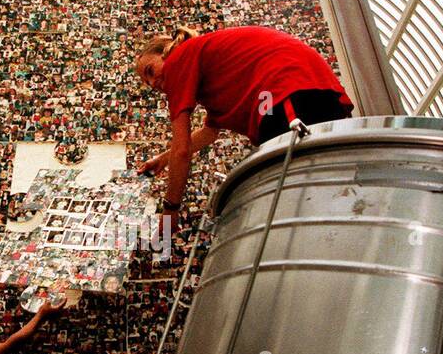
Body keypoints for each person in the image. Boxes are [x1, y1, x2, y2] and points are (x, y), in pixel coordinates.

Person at [134, 25, 354, 221]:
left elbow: (181, 149)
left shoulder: (178, 60)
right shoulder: (206, 69)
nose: (153, 83)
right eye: (147, 82)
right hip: (299, 88)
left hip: (287, 90)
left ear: (165, 52)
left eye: (150, 71)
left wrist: (171, 210)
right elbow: (210, 132)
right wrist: (164, 159)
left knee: (296, 183)